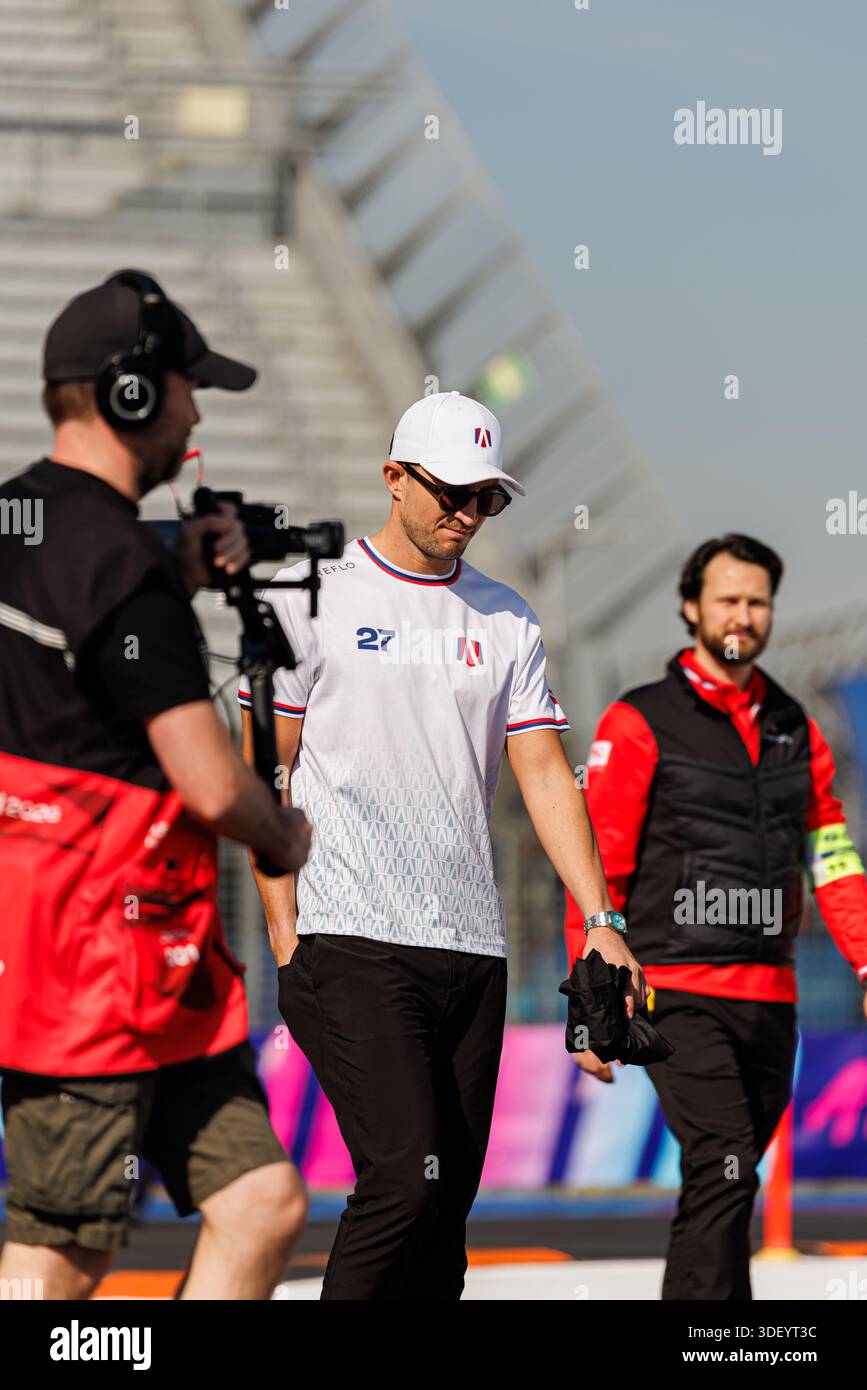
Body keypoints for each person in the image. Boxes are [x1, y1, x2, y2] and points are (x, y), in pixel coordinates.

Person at [240, 390, 647, 1300]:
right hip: (346, 938)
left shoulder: (507, 618)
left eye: (486, 498)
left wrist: (600, 919)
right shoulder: (305, 598)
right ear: (393, 477)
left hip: (470, 949)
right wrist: (282, 926)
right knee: (399, 1179)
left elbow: (545, 774)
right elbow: (264, 773)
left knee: (442, 1208)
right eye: (450, 491)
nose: (467, 513)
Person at [0, 269, 312, 1300]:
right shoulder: (115, 567)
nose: (194, 410)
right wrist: (286, 835)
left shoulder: (30, 527)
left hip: (139, 961)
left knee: (262, 1205)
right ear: (133, 391)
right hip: (95, 969)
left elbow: (82, 616)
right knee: (67, 1246)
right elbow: (212, 786)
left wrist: (175, 564)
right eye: (187, 387)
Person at [565, 533, 867, 1300]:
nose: (743, 614)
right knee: (722, 1159)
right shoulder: (637, 720)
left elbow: (831, 855)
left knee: (727, 1181)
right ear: (690, 607)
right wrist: (590, 1006)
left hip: (770, 997)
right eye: (727, 598)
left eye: (757, 601)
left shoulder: (796, 724)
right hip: (676, 990)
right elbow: (595, 864)